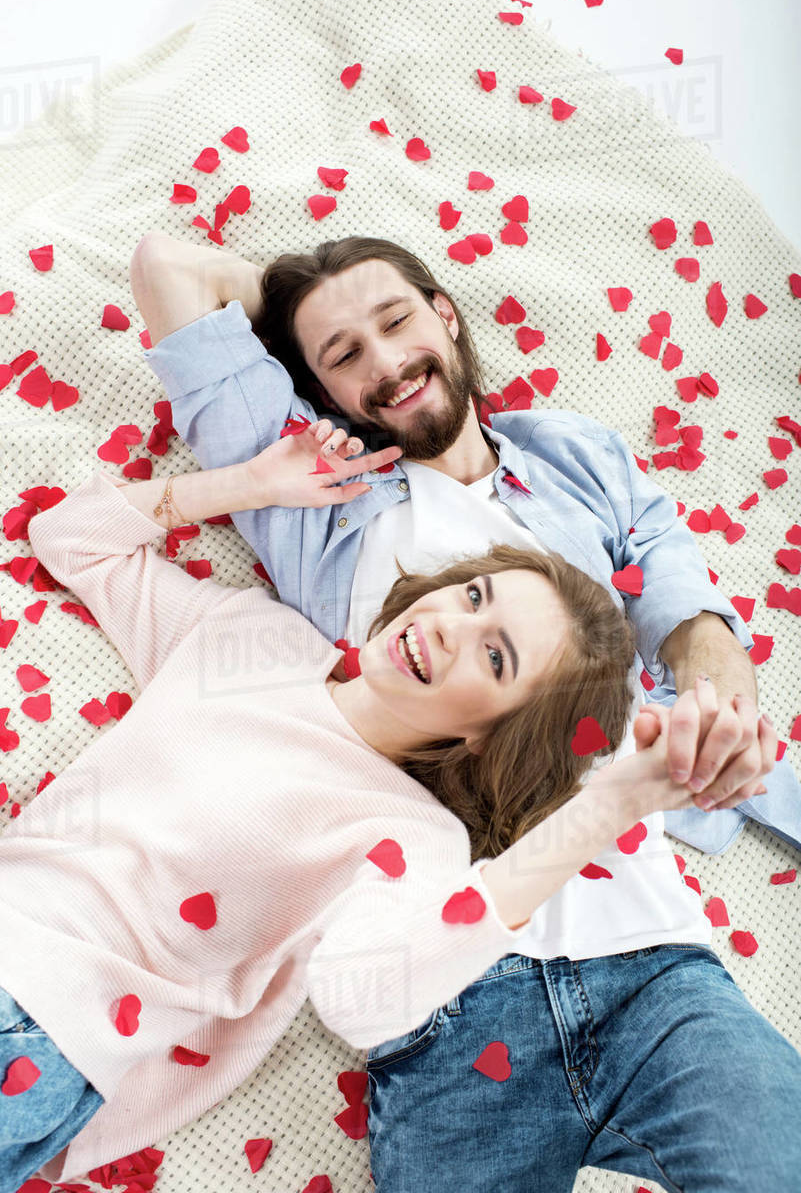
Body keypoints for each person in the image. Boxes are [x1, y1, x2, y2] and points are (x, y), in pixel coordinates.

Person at [0, 421, 745, 1190]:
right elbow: (71, 540)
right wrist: (252, 484)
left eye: (494, 655)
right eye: (471, 594)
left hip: (44, 1023)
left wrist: (612, 806)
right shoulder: (253, 639)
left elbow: (364, 1003)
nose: (447, 627)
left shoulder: (412, 836)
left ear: (490, 737)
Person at [131, 230, 801, 855]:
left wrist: (718, 709)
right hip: (486, 851)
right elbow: (166, 266)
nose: (388, 362)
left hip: (650, 784)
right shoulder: (304, 482)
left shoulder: (570, 451)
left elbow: (675, 584)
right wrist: (288, 313)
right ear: (322, 390)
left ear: (445, 315)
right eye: (344, 354)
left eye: (395, 321)